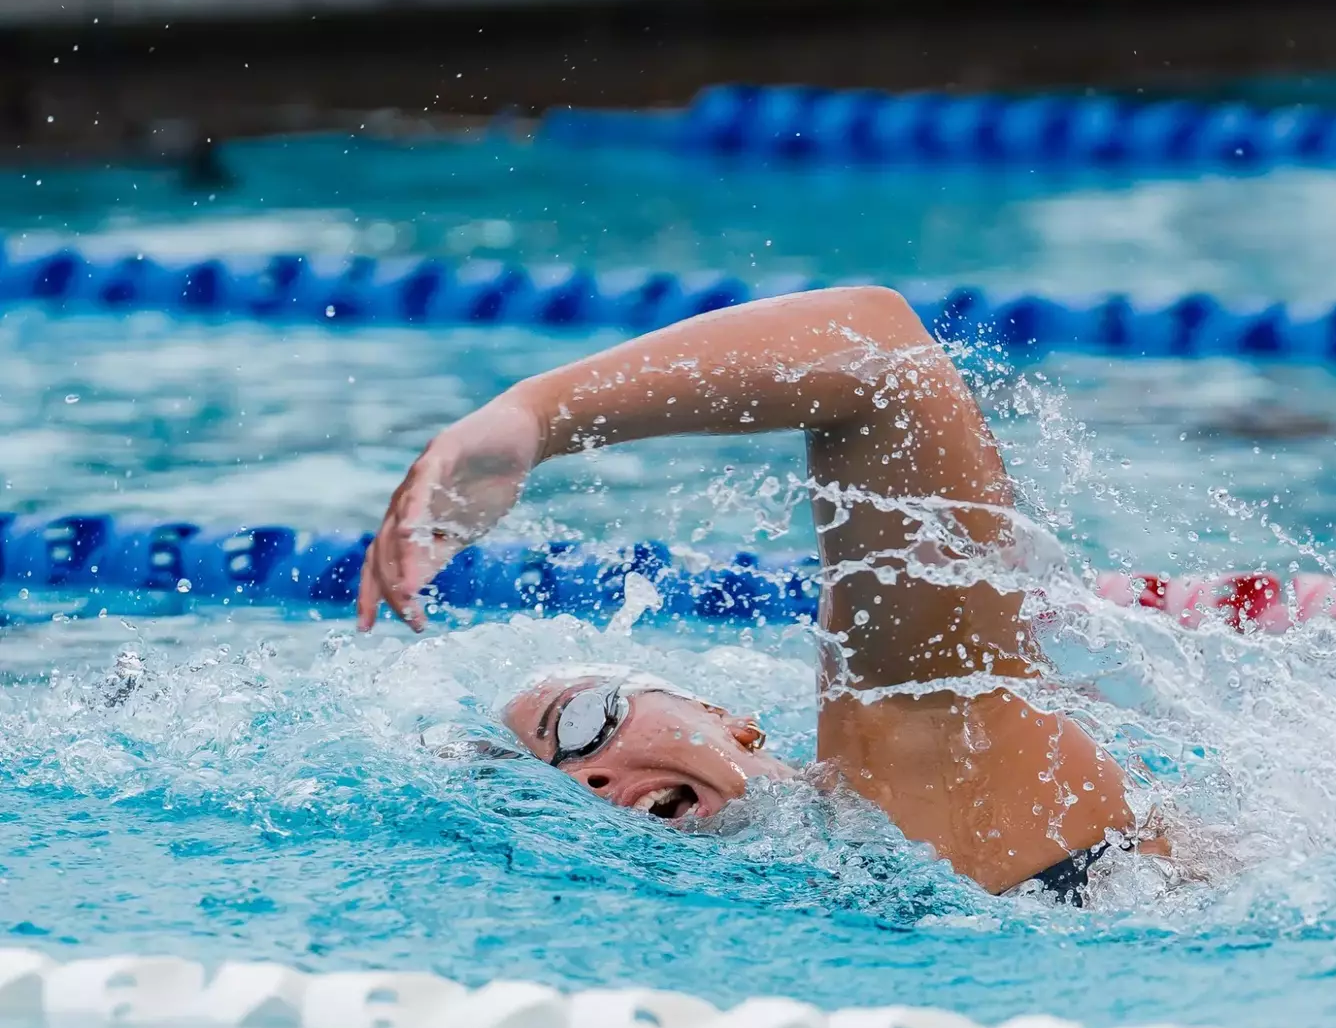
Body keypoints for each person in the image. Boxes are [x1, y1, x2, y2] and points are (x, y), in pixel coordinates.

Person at [358, 286, 1149, 903]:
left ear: (729, 719)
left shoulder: (925, 750)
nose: (584, 781)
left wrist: (537, 416)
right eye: (543, 792)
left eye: (583, 721)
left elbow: (884, 356)